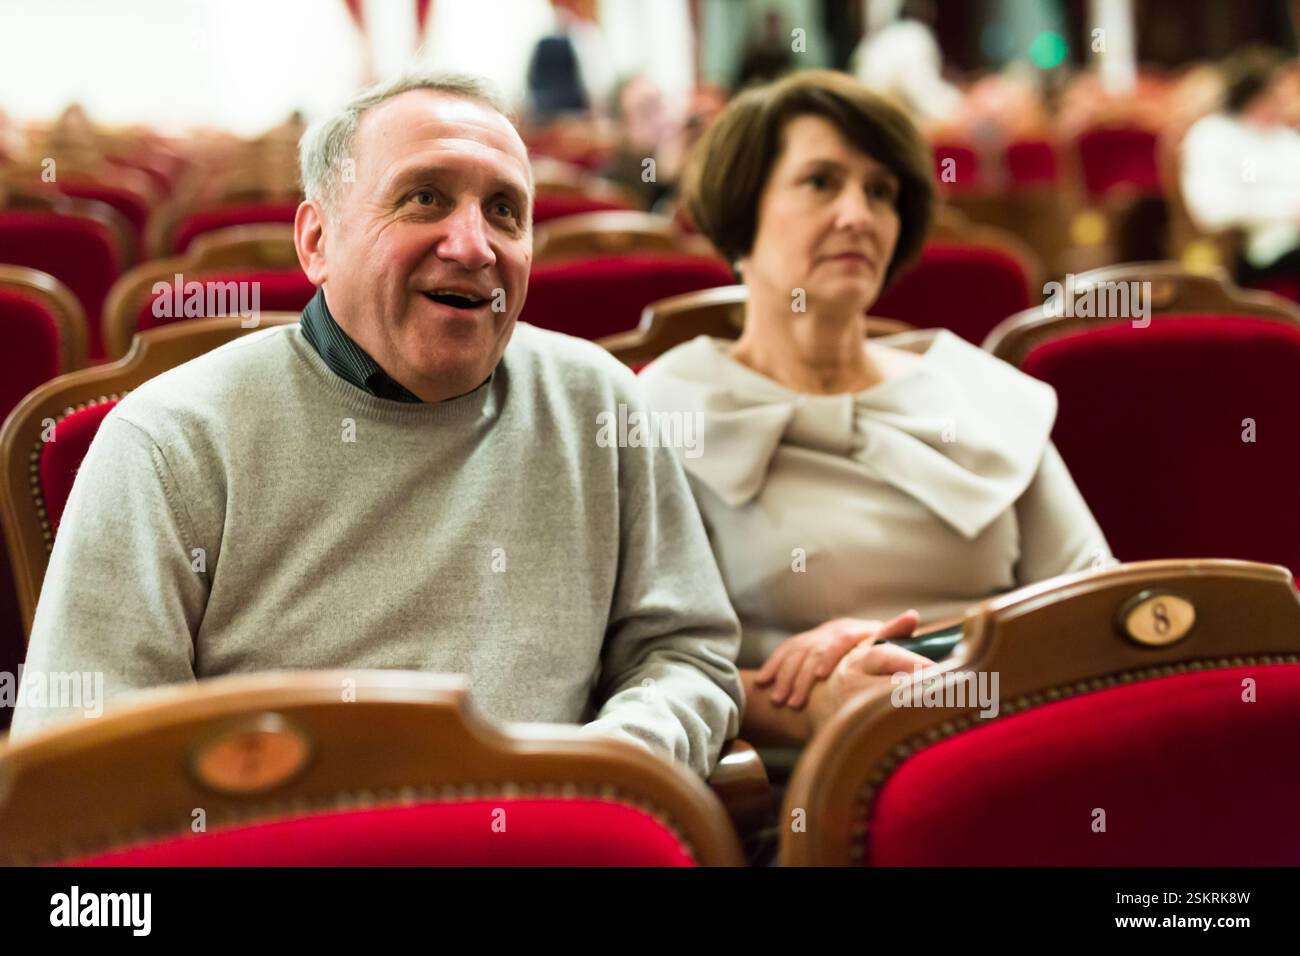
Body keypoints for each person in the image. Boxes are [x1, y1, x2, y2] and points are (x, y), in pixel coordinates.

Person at [11, 72, 743, 779]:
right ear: (317, 241)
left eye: (503, 210)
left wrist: (615, 763)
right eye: (424, 199)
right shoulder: (170, 441)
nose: (473, 245)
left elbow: (685, 653)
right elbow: (84, 763)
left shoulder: (600, 404)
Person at [640, 70, 1111, 746]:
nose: (858, 215)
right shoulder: (664, 408)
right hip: (814, 783)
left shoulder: (977, 390)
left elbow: (1097, 606)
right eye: (821, 182)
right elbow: (631, 670)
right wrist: (799, 702)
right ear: (742, 211)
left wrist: (938, 646)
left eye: (881, 191)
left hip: (1020, 733)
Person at [1180, 49, 1300, 287]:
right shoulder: (1212, 135)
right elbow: (1212, 210)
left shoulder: (1286, 138)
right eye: (1280, 93)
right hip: (1247, 250)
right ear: (1256, 95)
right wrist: (1287, 210)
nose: (1288, 100)